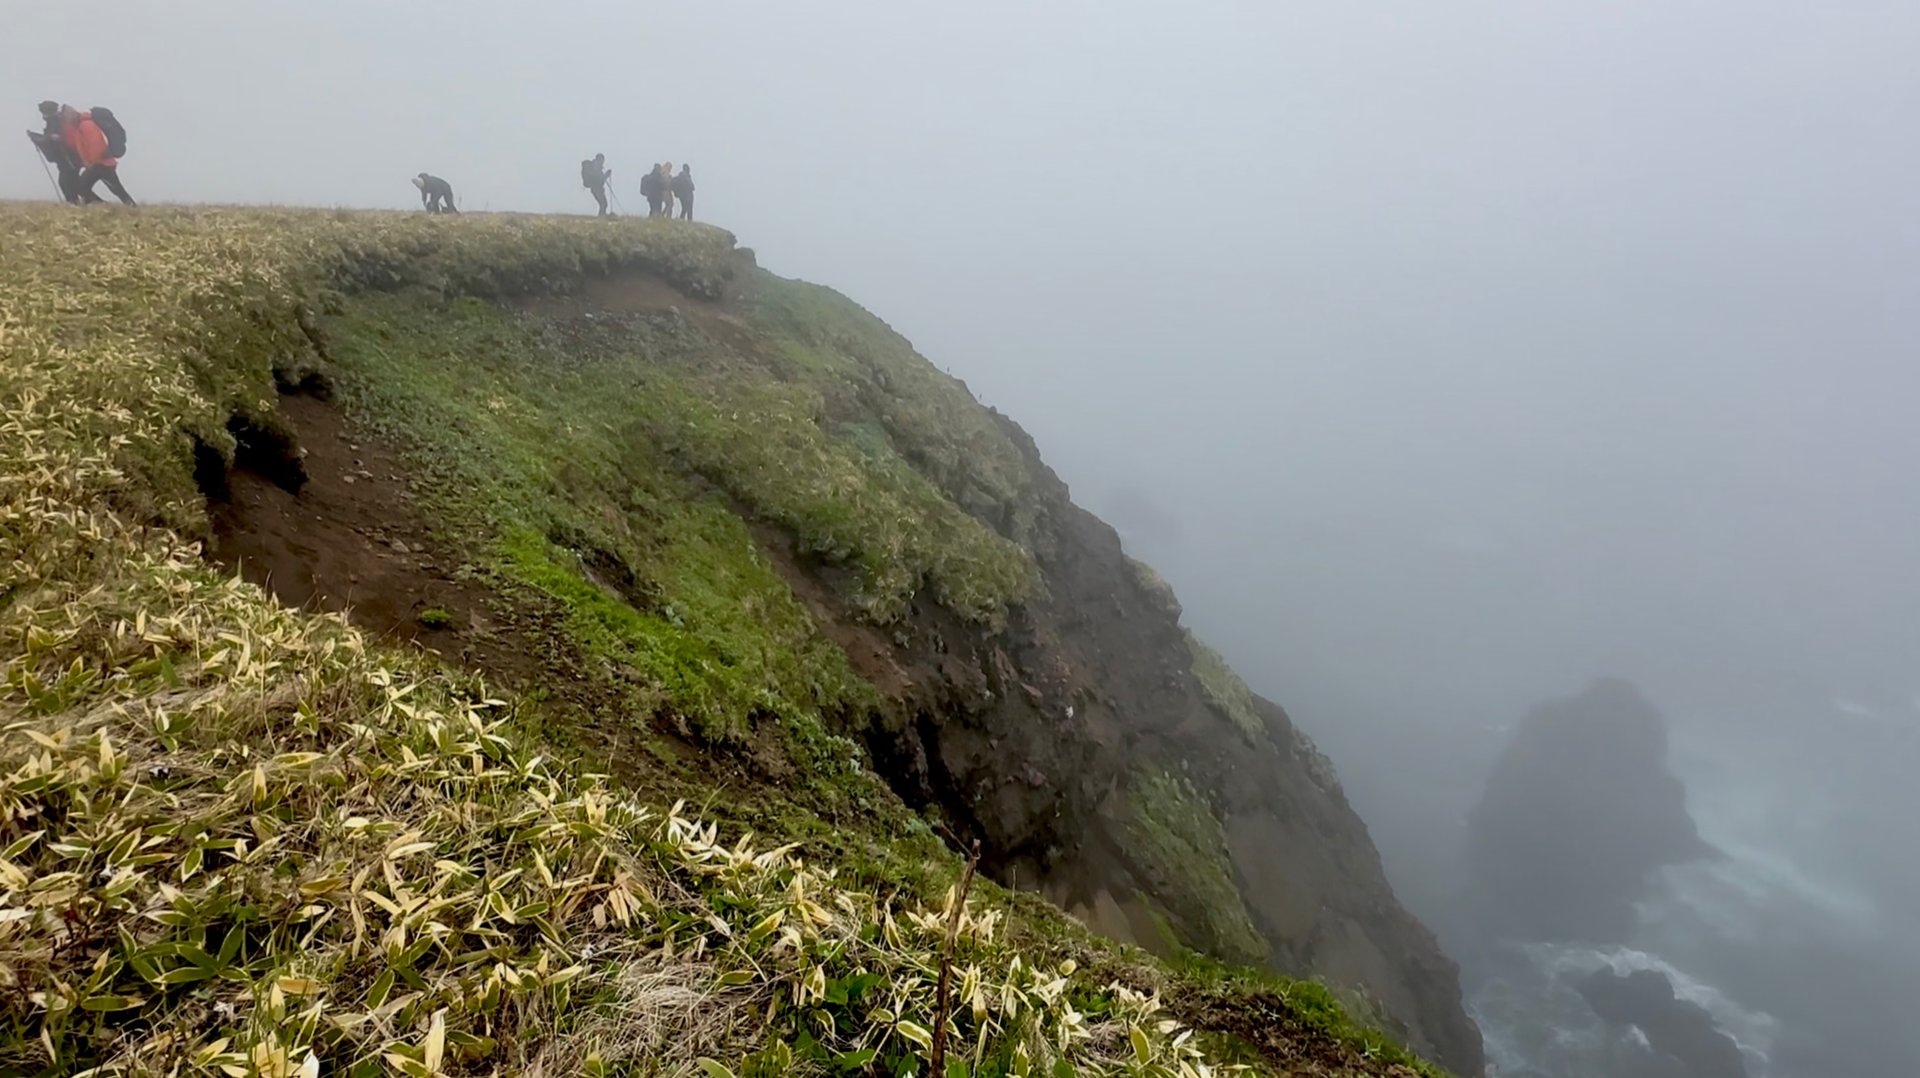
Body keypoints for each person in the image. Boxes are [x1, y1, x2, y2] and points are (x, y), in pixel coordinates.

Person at [59, 105, 134, 206]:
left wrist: (92, 162)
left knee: (82, 186)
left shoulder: (85, 125)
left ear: (70, 114)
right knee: (115, 188)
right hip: (103, 163)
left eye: (65, 116)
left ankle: (100, 205)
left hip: (100, 163)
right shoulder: (82, 124)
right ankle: (129, 206)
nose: (65, 120)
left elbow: (95, 143)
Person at [26, 100, 84, 204]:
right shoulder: (57, 120)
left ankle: (77, 203)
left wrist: (35, 137)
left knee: (67, 183)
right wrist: (36, 137)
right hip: (69, 157)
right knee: (73, 183)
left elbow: (51, 138)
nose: (43, 115)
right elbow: (50, 138)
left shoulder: (55, 121)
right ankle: (81, 203)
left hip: (68, 157)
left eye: (43, 112)